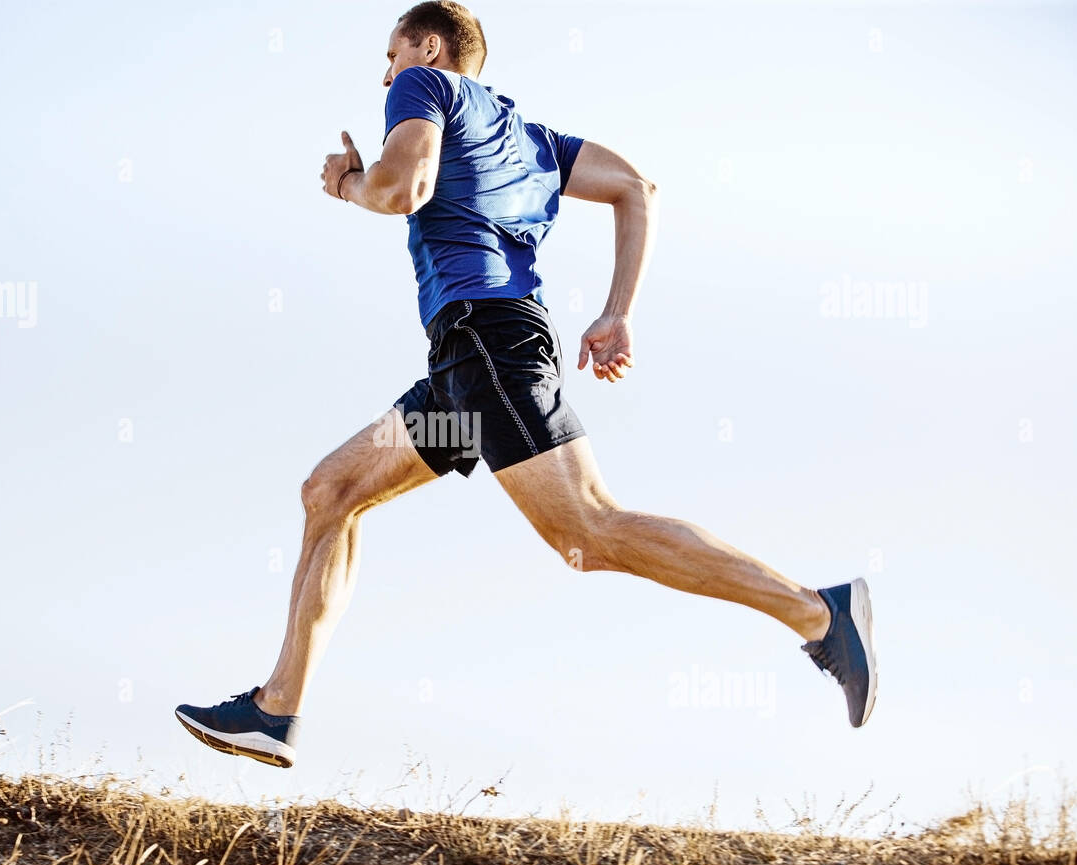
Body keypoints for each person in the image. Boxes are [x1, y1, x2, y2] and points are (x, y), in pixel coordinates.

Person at [176, 1, 876, 769]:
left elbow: (403, 187)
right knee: (331, 491)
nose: (385, 73)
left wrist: (349, 183)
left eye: (393, 54)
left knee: (588, 530)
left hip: (490, 349)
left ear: (431, 47)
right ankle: (277, 710)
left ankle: (818, 614)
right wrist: (618, 313)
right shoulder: (533, 140)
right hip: (462, 374)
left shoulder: (424, 90)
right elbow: (637, 186)